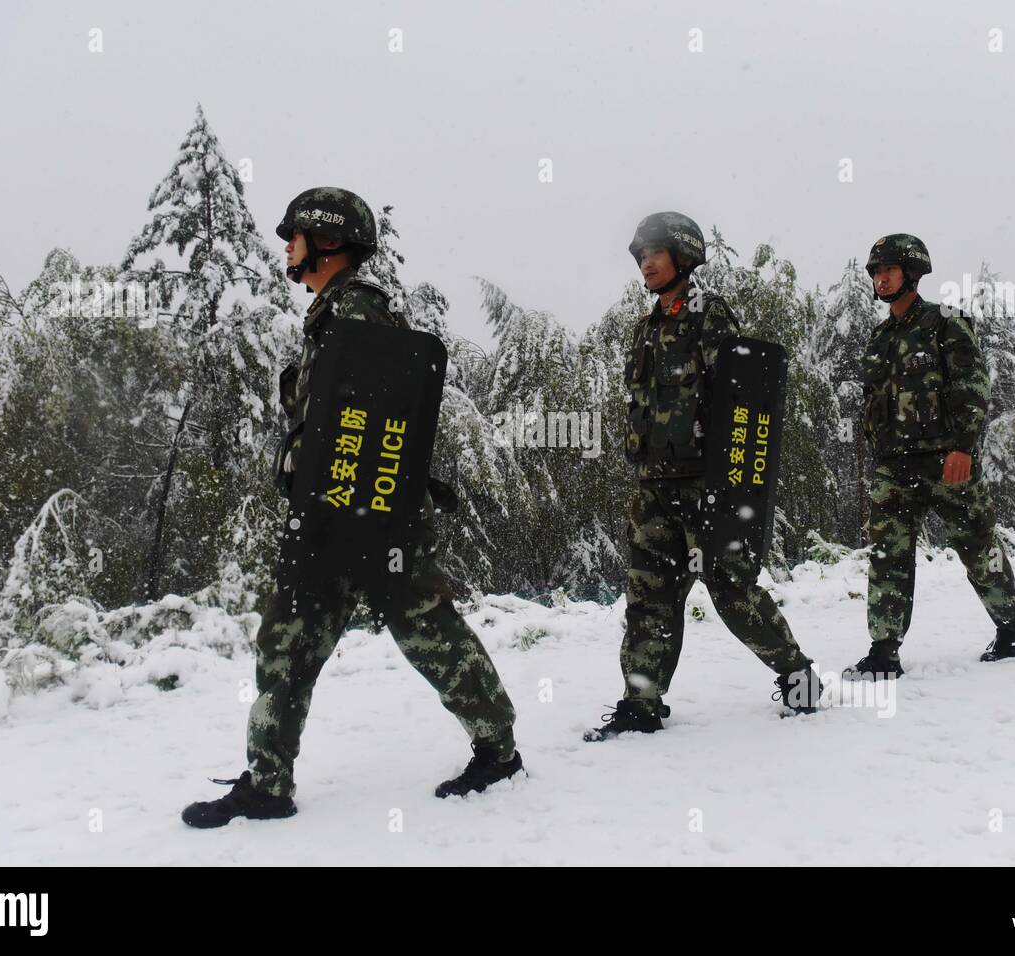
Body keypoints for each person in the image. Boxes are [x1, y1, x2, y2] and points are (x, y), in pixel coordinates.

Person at [182, 188, 523, 828]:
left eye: (297, 235)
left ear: (329, 241)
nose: (287, 246)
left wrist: (359, 510)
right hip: (334, 514)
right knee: (288, 641)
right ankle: (266, 783)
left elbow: (378, 425)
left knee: (429, 634)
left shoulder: (359, 312)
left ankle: (498, 749)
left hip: (370, 516)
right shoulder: (332, 316)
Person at [586, 211, 821, 743]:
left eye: (655, 253)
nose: (645, 263)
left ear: (684, 257)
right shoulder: (646, 327)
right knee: (648, 597)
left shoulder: (708, 316)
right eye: (640, 255)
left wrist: (732, 482)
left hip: (703, 485)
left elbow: (741, 400)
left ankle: (797, 676)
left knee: (731, 589)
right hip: (654, 486)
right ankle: (641, 702)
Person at [846, 233, 1015, 681]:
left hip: (945, 459)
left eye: (890, 269)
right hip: (894, 465)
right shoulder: (879, 338)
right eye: (876, 271)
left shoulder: (944, 321)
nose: (882, 278)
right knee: (888, 555)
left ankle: (1012, 630)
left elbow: (972, 385)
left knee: (977, 545)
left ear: (912, 273)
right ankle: (884, 650)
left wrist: (963, 447)